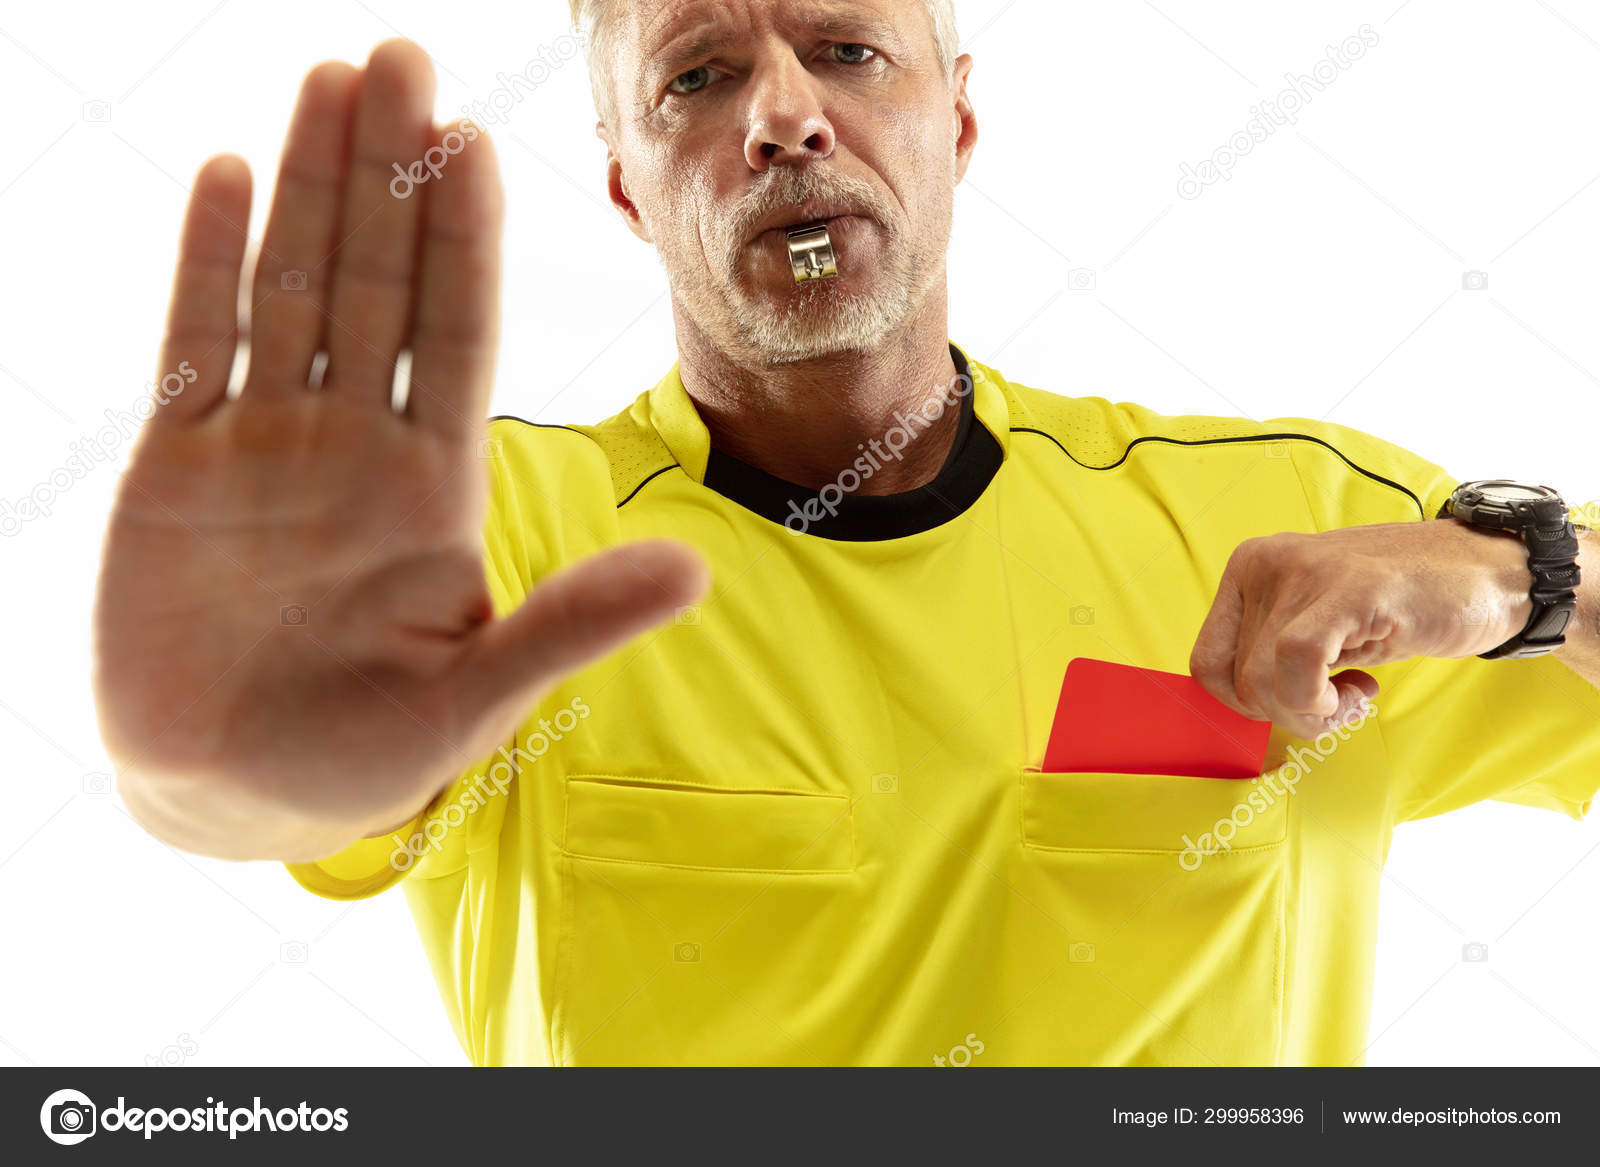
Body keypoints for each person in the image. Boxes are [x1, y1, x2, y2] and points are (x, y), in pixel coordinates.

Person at [93, 0, 1600, 1065]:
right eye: (695, 78)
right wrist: (212, 759)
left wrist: (1532, 577)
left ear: (958, 117)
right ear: (627, 188)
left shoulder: (1287, 521)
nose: (783, 117)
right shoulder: (493, 542)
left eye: (847, 50)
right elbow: (242, 790)